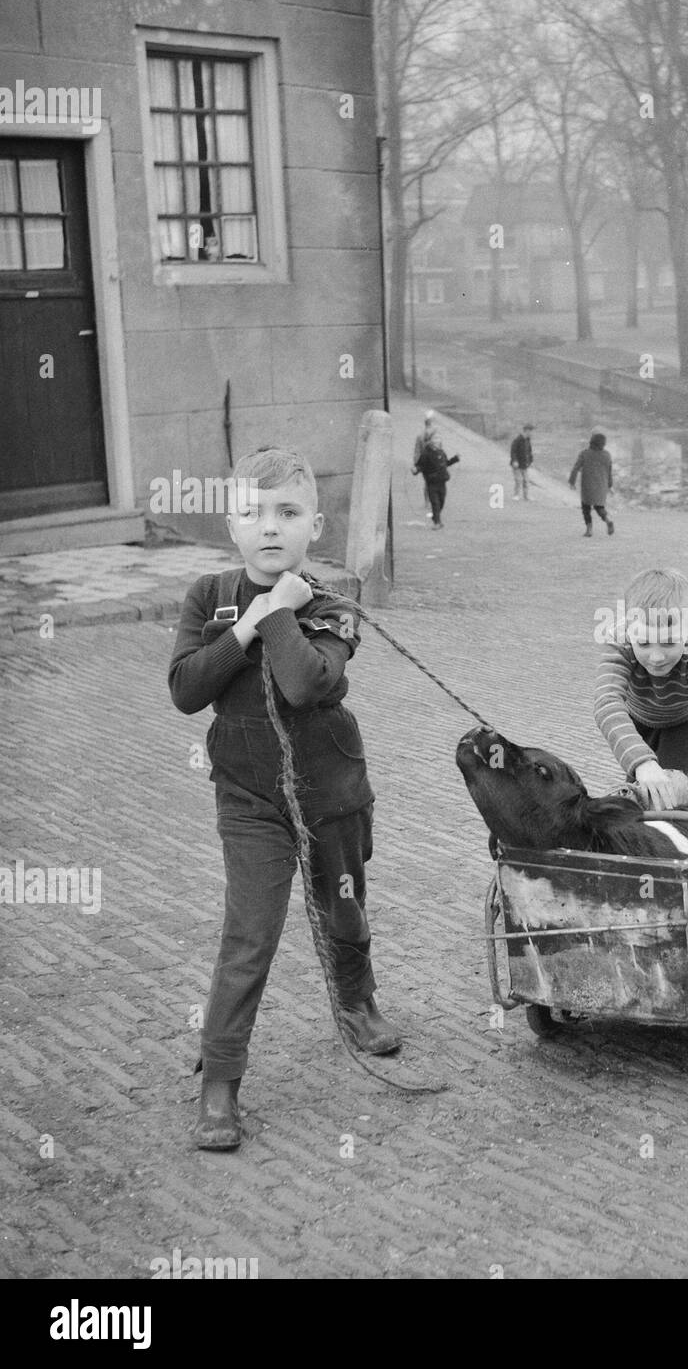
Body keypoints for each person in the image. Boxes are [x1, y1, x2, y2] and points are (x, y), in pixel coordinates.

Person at [168, 447, 401, 1150]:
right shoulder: (207, 597)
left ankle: (357, 1003)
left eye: (288, 514)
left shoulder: (332, 605)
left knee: (344, 911)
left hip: (331, 796)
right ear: (230, 527)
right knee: (249, 935)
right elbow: (185, 690)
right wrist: (251, 620)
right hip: (248, 800)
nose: (270, 528)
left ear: (316, 528)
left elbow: (304, 683)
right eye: (252, 514)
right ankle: (221, 1081)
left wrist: (280, 612)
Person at [594, 567, 688, 811]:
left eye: (669, 642)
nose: (657, 657)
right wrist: (641, 762)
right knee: (641, 783)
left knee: (669, 790)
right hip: (637, 717)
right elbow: (607, 702)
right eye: (644, 643)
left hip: (684, 721)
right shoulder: (619, 641)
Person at [412, 417, 460, 528]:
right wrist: (416, 469)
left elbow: (446, 463)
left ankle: (436, 516)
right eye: (436, 439)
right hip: (432, 480)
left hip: (442, 480)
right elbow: (420, 464)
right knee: (435, 502)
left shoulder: (441, 452)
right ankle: (437, 522)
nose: (438, 440)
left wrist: (455, 459)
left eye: (439, 439)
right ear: (431, 441)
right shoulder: (426, 453)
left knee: (442, 500)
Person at [569, 430, 614, 537]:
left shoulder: (585, 454)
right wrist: (610, 485)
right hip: (601, 487)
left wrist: (572, 481)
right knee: (599, 507)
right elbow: (609, 471)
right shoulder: (607, 455)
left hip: (587, 486)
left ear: (591, 442)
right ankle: (608, 520)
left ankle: (589, 529)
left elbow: (575, 469)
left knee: (586, 508)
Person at [510, 423, 535, 501]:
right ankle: (516, 495)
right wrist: (514, 461)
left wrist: (531, 461)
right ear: (526, 431)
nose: (532, 433)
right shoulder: (518, 440)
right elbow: (513, 451)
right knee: (518, 480)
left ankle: (526, 496)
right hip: (517, 465)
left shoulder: (527, 440)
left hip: (524, 464)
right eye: (531, 431)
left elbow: (529, 452)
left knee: (526, 481)